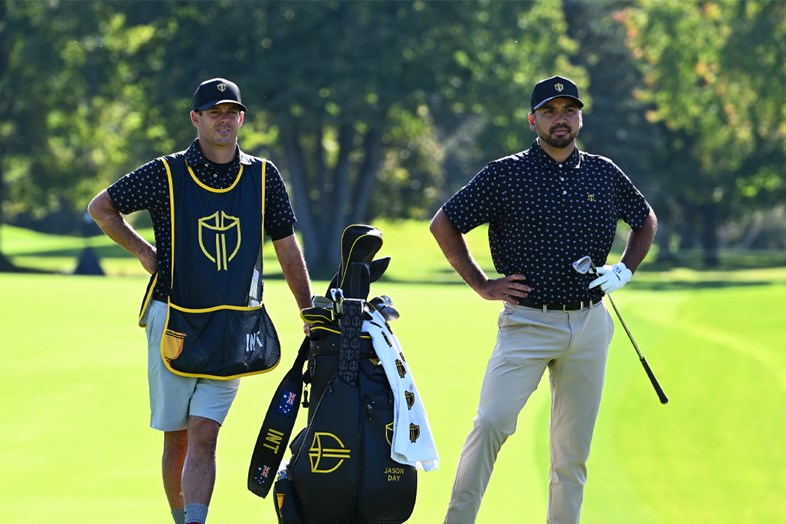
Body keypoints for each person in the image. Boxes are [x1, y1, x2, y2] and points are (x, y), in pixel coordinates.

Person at [430, 75, 657, 524]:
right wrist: (481, 283)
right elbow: (444, 223)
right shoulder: (505, 173)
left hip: (590, 324)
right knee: (492, 422)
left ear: (579, 118)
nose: (560, 119)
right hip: (528, 324)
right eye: (550, 112)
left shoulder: (603, 172)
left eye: (568, 110)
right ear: (533, 120)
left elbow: (644, 219)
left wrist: (625, 268)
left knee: (572, 454)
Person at [88, 78, 313, 524]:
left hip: (234, 327)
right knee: (178, 440)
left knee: (205, 434)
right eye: (215, 113)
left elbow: (287, 248)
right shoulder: (165, 172)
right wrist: (142, 252)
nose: (224, 119)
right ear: (196, 119)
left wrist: (308, 313)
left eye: (232, 112)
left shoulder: (264, 177)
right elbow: (102, 207)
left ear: (242, 118)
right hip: (173, 322)